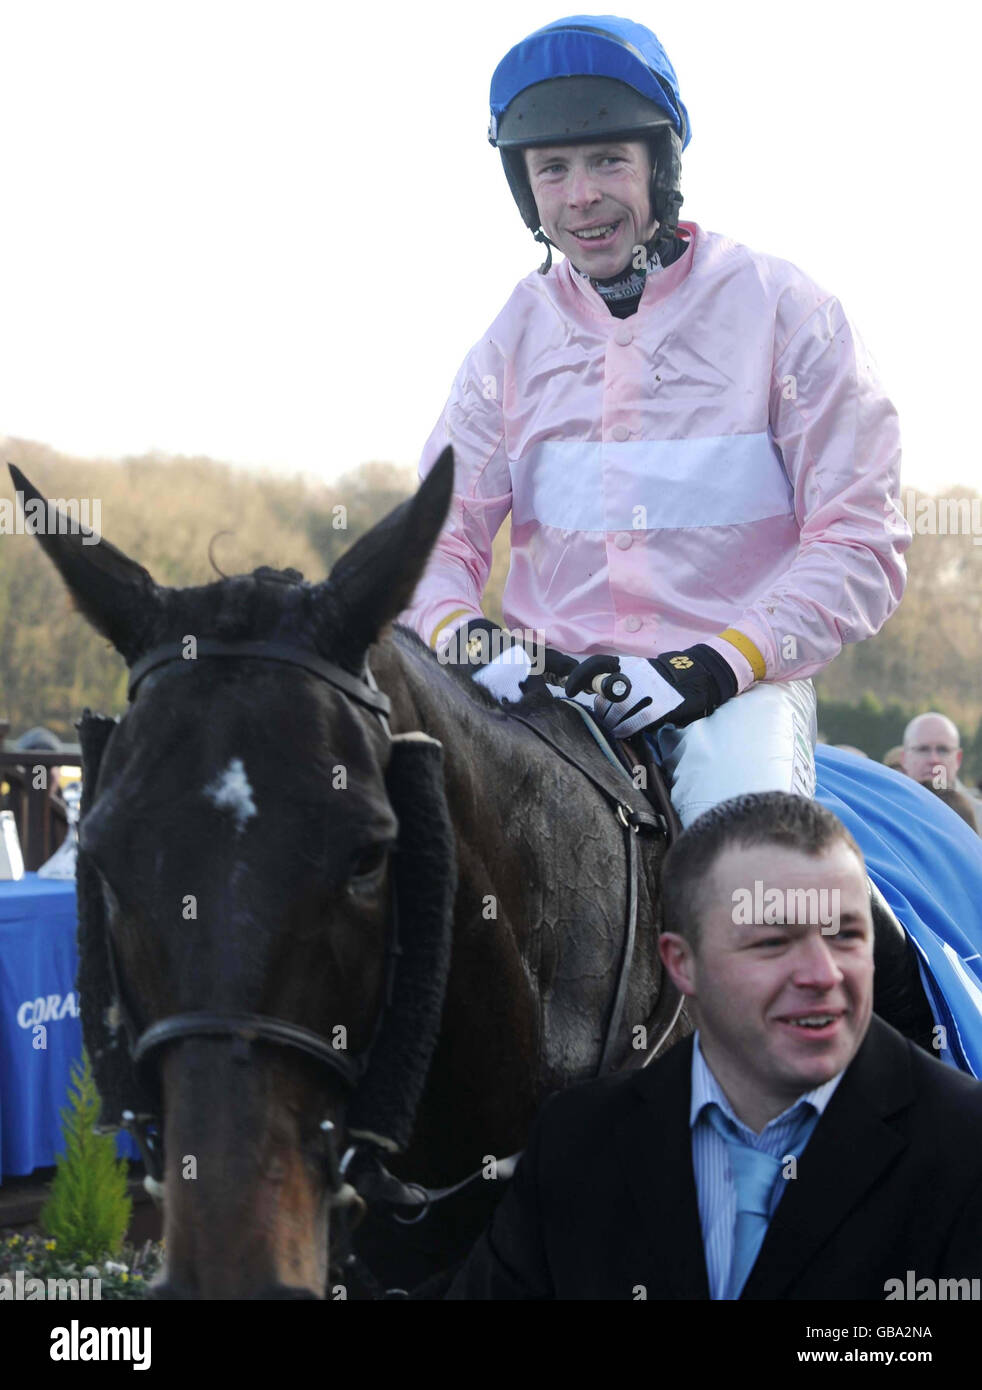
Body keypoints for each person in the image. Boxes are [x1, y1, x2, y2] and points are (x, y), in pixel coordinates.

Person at [398, 15, 909, 830]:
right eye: (553, 168)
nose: (582, 196)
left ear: (660, 166)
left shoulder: (789, 312)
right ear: (524, 186)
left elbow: (858, 543)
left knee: (750, 872)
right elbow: (435, 542)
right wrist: (474, 646)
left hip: (737, 696)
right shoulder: (507, 342)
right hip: (548, 696)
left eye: (608, 160)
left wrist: (712, 664)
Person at [447, 793, 982, 1299]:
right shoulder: (576, 1139)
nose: (823, 974)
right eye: (773, 942)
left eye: (845, 935)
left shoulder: (963, 1145)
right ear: (682, 963)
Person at [900, 712, 981, 830]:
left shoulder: (979, 817)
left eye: (943, 750)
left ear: (958, 759)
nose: (934, 759)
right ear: (905, 758)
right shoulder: (887, 813)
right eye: (923, 749)